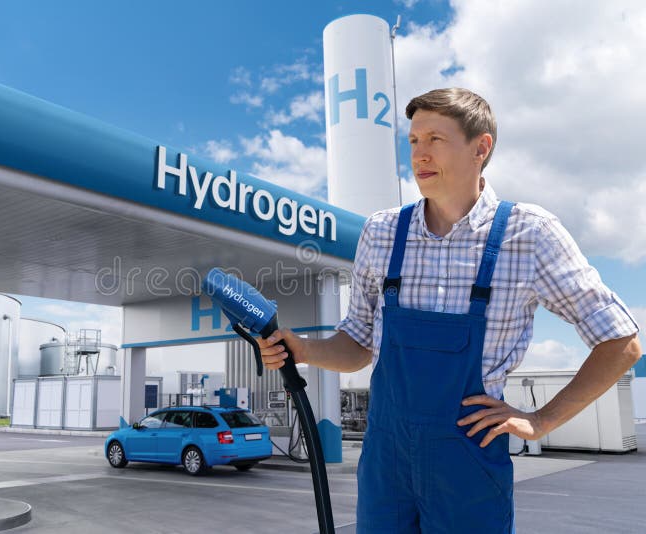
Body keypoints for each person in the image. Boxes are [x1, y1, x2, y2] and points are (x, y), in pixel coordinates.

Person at [258, 88, 641, 533]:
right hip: (387, 464)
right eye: (414, 141)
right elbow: (360, 343)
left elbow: (621, 342)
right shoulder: (381, 233)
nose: (420, 154)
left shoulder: (530, 234)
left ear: (481, 148)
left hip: (468, 467)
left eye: (435, 139)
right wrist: (302, 349)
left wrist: (541, 420)